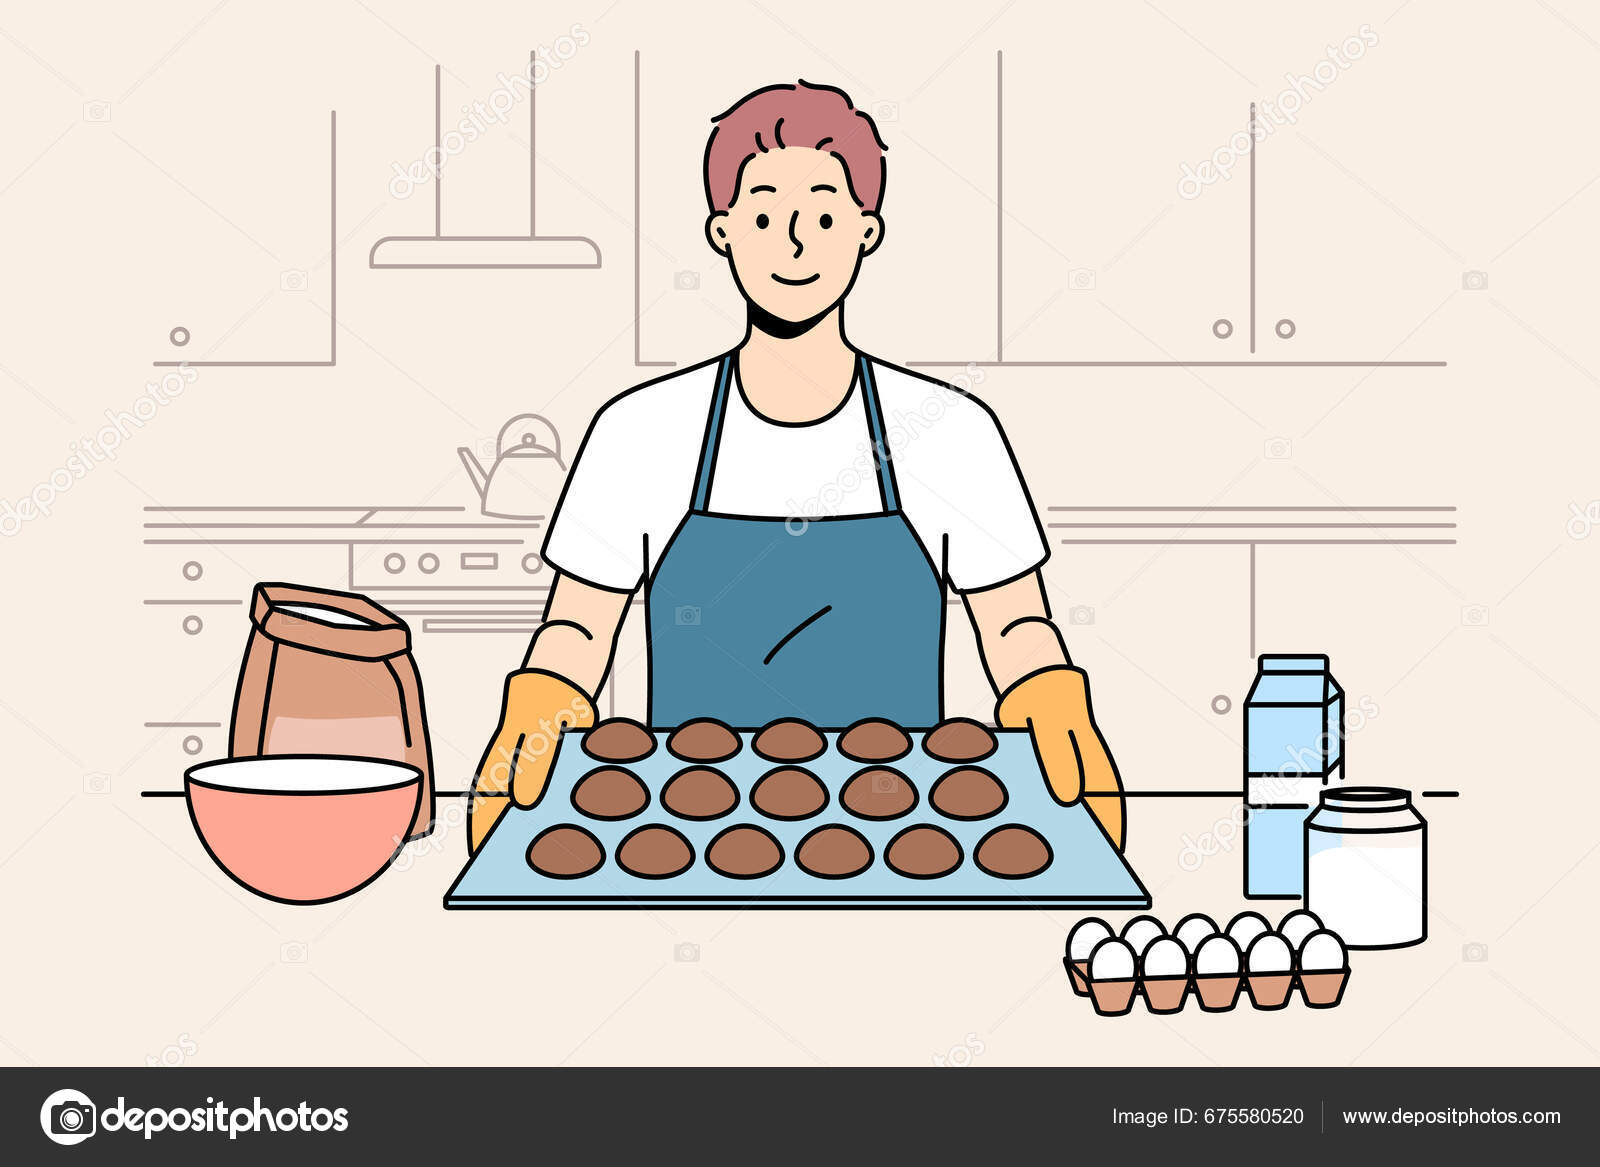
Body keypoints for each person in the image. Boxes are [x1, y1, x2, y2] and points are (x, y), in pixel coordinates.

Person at [467, 80, 1124, 852]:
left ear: (866, 232)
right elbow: (580, 623)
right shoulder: (641, 431)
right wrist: (544, 693)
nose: (794, 243)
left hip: (906, 834)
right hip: (685, 833)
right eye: (766, 214)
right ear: (723, 231)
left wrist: (1048, 691)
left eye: (821, 213)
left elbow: (1015, 620)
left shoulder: (948, 433)